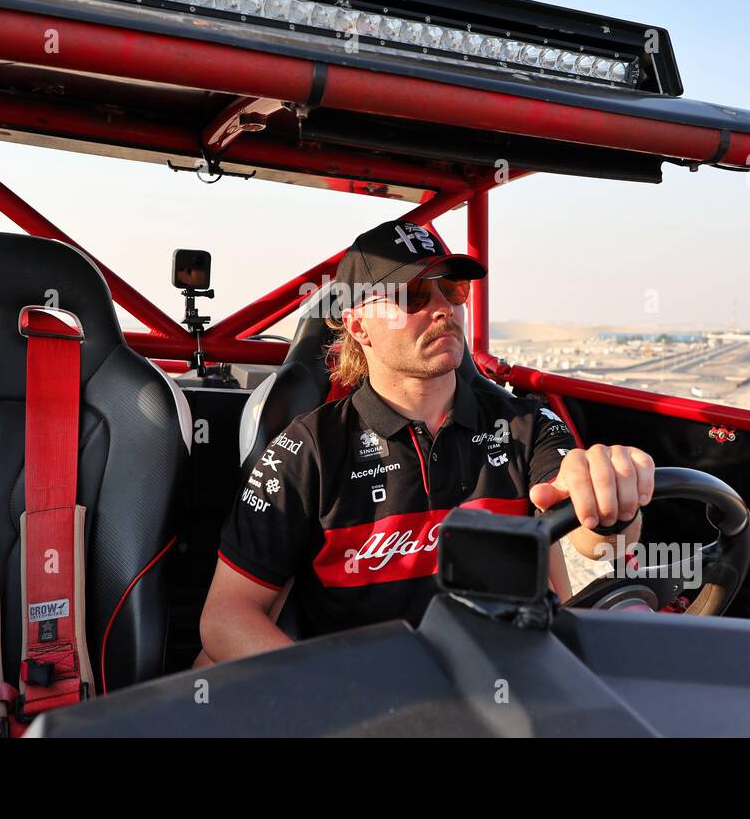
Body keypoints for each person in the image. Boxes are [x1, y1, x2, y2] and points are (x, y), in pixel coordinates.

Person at [200, 219, 653, 663]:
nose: (444, 309)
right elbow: (226, 617)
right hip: (369, 703)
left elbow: (593, 542)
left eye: (452, 289)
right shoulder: (306, 450)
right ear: (358, 325)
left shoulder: (527, 424)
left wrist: (608, 500)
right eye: (413, 295)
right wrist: (327, 694)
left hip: (510, 689)